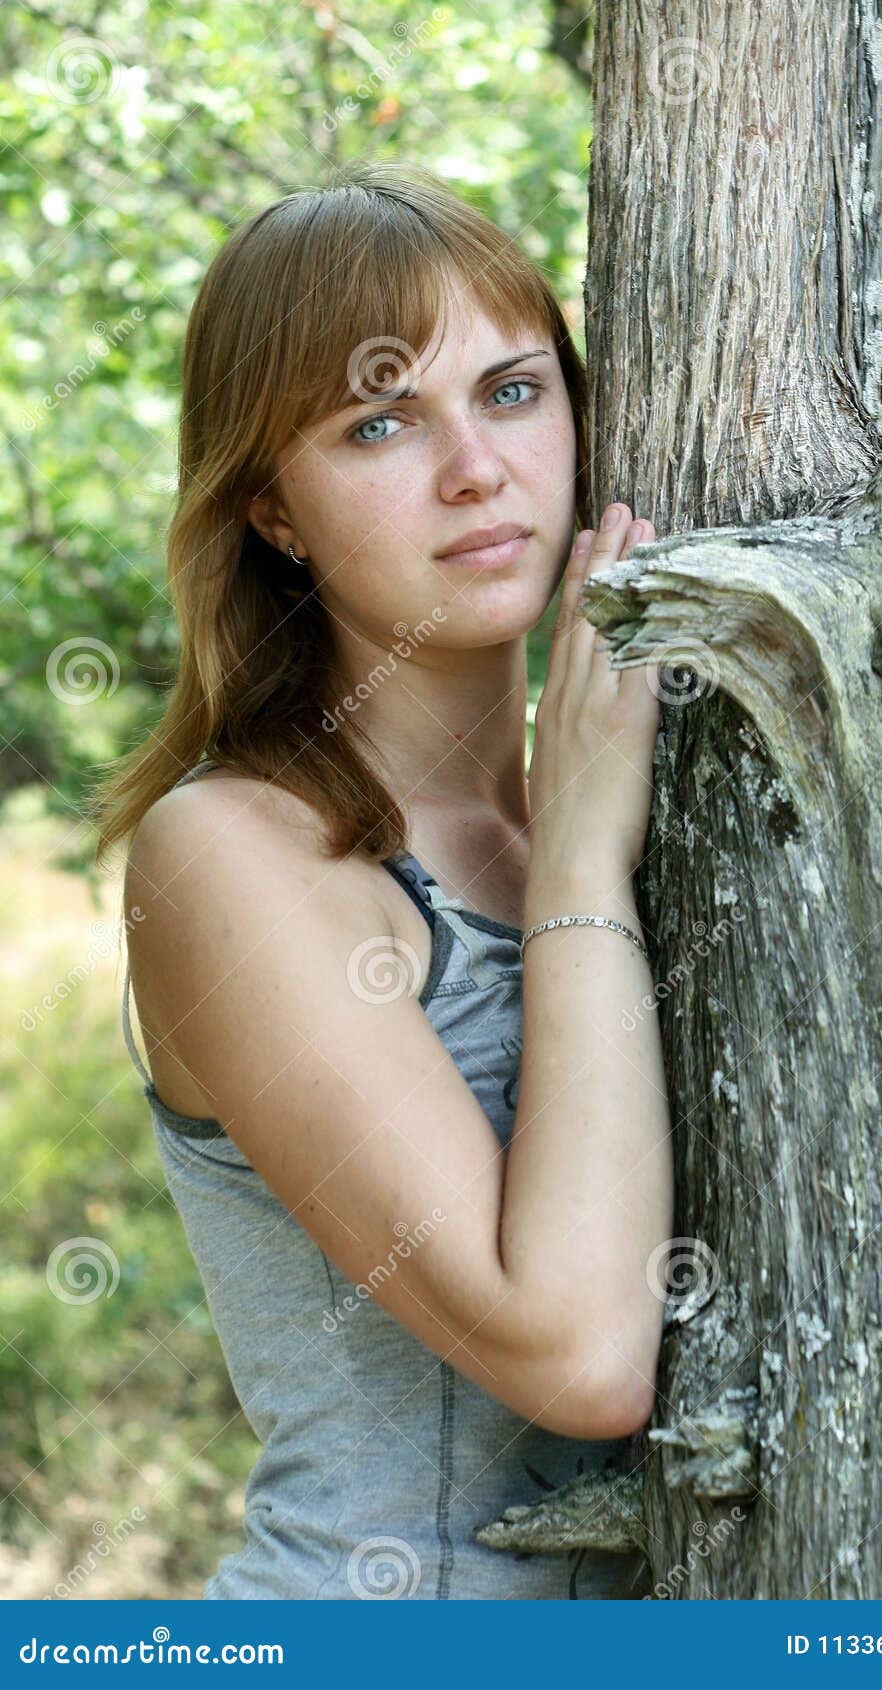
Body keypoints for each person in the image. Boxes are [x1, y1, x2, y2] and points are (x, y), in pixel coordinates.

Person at [92, 160, 674, 1600]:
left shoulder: (645, 806)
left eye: (514, 391)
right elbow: (582, 1354)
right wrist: (588, 861)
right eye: (377, 421)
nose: (475, 468)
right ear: (274, 512)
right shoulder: (233, 854)